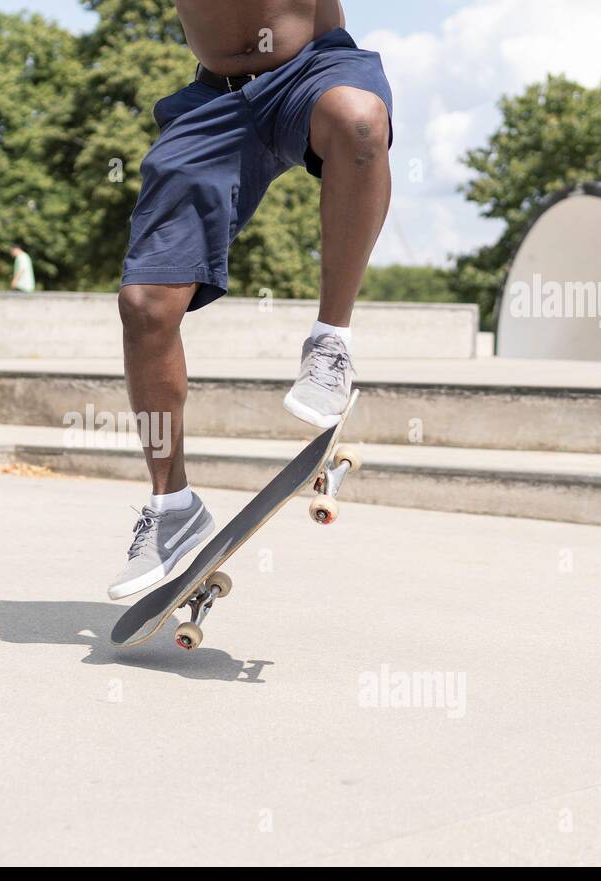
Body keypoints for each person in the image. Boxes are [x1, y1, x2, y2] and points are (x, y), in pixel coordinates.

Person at [109, 0, 392, 600]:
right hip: (214, 100)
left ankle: (330, 342)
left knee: (358, 119)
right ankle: (171, 507)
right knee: (145, 304)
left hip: (313, 74)